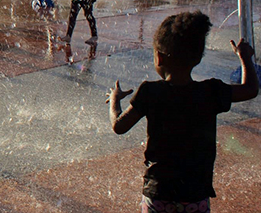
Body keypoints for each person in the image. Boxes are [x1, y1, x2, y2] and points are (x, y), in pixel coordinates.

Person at [108, 11, 258, 213]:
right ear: (197, 58)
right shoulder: (210, 92)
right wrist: (245, 57)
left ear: (159, 57)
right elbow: (250, 89)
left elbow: (119, 126)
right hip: (195, 196)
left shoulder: (150, 92)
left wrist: (115, 99)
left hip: (159, 196)